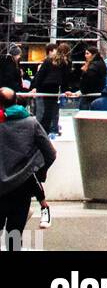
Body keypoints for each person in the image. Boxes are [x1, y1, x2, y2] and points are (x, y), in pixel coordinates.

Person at [0, 93, 56, 249]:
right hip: (22, 186)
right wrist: (37, 172)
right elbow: (50, 154)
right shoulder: (31, 122)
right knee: (14, 236)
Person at [33, 42, 71, 137]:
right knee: (50, 112)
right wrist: (65, 89)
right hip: (53, 88)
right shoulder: (65, 63)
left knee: (44, 112)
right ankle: (45, 132)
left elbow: (40, 76)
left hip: (44, 88)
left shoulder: (48, 61)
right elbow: (65, 78)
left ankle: (42, 132)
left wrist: (37, 88)